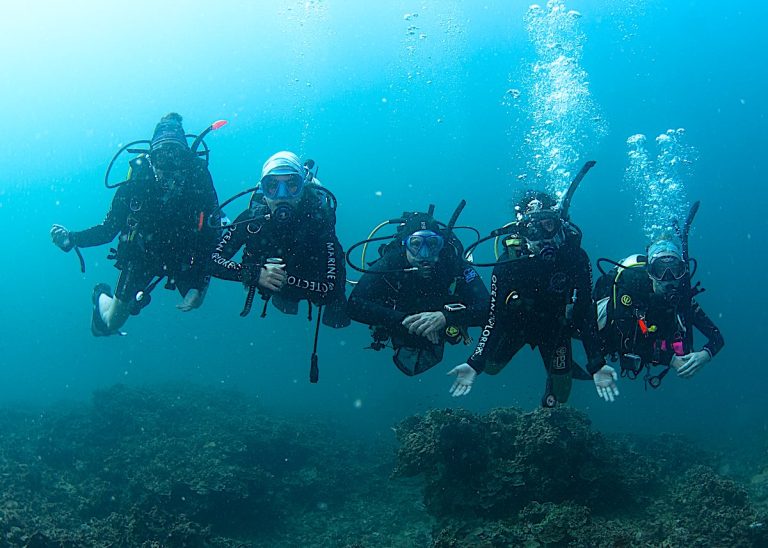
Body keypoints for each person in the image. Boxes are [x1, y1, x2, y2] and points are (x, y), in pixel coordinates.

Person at [50, 113, 220, 336]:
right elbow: (108, 229)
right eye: (161, 157)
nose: (168, 167)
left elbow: (212, 234)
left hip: (182, 255)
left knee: (196, 300)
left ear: (186, 158)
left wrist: (199, 284)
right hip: (141, 256)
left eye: (175, 156)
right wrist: (72, 239)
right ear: (151, 158)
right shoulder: (136, 185)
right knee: (111, 324)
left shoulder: (198, 179)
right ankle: (101, 295)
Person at [447, 187, 619, 407]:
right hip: (516, 326)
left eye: (548, 225)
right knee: (489, 368)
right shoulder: (508, 265)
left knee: (562, 394)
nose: (542, 237)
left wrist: (596, 363)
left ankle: (558, 373)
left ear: (560, 225)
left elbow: (585, 311)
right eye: (532, 229)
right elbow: (494, 316)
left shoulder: (575, 258)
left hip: (556, 329)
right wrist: (474, 362)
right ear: (521, 231)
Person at [209, 151, 349, 380]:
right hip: (274, 286)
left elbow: (332, 286)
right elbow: (211, 260)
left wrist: (285, 279)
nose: (282, 196)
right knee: (284, 303)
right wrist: (254, 274)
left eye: (292, 185)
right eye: (272, 187)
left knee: (338, 316)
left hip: (313, 286)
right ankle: (283, 296)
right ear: (262, 190)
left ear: (303, 188)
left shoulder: (319, 220)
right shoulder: (252, 218)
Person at [346, 205, 489, 376]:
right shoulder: (391, 262)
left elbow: (487, 306)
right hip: (400, 318)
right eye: (416, 244)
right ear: (404, 245)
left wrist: (446, 317)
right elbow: (354, 305)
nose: (425, 253)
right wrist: (404, 320)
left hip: (443, 317)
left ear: (441, 245)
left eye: (433, 244)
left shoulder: (452, 262)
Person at [593, 216, 724, 388]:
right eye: (660, 270)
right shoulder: (632, 289)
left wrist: (705, 355)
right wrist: (670, 360)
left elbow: (717, 337)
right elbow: (624, 342)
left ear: (683, 272)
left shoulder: (682, 298)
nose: (667, 279)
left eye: (675, 270)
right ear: (649, 272)